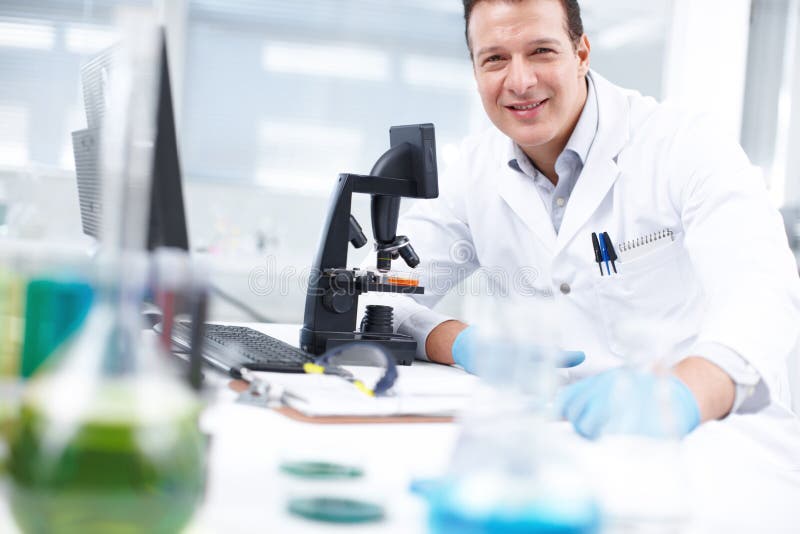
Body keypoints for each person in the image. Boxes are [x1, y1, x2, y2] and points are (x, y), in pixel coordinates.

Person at [364, 0, 800, 446]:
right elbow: (367, 293)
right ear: (476, 71)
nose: (519, 81)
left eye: (541, 51)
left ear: (582, 54)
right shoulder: (474, 172)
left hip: (709, 443)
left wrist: (682, 394)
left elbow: (762, 293)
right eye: (495, 58)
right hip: (559, 443)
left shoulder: (684, 146)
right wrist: (453, 339)